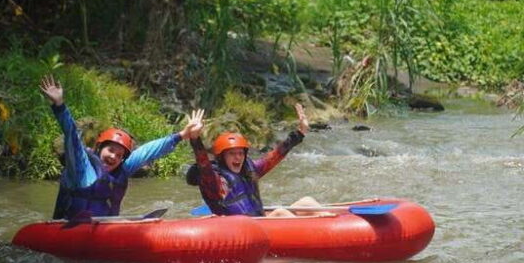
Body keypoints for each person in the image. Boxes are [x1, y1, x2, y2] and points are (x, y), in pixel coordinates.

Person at [39, 75, 204, 220]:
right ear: (99, 148)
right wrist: (59, 105)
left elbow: (147, 152)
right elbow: (72, 135)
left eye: (119, 155)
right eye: (110, 150)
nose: (114, 157)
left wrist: (182, 135)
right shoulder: (81, 166)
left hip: (104, 229)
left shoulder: (121, 170)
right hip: (68, 229)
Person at [185, 103, 320, 217]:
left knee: (307, 202)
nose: (238, 157)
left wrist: (300, 132)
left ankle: (331, 227)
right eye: (232, 154)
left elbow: (276, 155)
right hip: (240, 232)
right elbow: (204, 165)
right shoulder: (216, 182)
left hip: (259, 223)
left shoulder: (249, 170)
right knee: (280, 213)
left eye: (240, 153)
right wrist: (195, 139)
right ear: (222, 157)